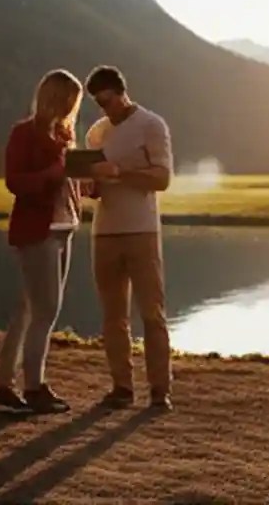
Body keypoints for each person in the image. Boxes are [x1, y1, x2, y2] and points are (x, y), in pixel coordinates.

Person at [0, 68, 85, 415]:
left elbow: (67, 181)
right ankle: (34, 386)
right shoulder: (24, 134)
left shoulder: (64, 135)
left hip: (63, 228)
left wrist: (86, 181)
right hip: (38, 231)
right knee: (46, 310)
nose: (72, 108)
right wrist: (54, 175)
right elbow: (15, 181)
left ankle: (5, 385)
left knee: (30, 309)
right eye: (70, 100)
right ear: (55, 98)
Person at [82, 65, 175, 411]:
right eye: (100, 104)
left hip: (141, 230)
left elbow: (162, 178)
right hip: (104, 230)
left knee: (152, 312)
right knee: (113, 315)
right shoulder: (97, 132)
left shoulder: (152, 125)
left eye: (109, 101)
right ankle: (121, 386)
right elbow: (95, 181)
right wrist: (90, 184)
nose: (106, 110)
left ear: (122, 92)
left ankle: (159, 390)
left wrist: (120, 172)